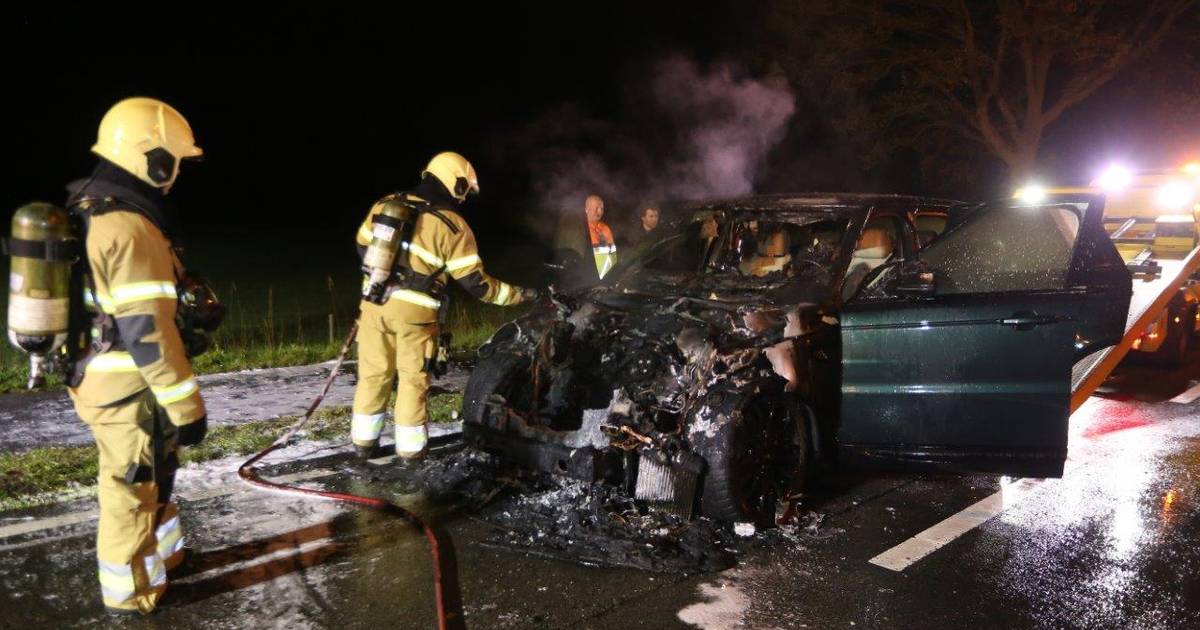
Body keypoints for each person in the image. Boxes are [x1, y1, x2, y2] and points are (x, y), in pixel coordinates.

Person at [65, 97, 208, 615]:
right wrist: (188, 409)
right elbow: (148, 332)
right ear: (153, 159)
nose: (175, 174)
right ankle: (131, 596)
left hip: (107, 380)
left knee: (155, 475)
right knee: (132, 490)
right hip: (131, 388)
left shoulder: (91, 209)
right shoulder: (128, 227)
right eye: (174, 160)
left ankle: (166, 558)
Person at [352, 152, 538, 460]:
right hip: (416, 318)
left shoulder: (386, 204)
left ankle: (362, 445)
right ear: (456, 182)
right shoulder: (452, 226)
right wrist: (520, 295)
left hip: (374, 307)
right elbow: (477, 285)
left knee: (373, 375)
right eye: (464, 190)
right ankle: (412, 454)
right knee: (412, 382)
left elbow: (362, 245)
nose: (464, 198)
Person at [584, 194, 618, 278]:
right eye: (596, 208)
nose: (599, 212)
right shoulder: (579, 228)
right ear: (586, 209)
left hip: (604, 277)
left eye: (602, 209)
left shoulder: (605, 229)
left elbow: (613, 257)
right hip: (585, 276)